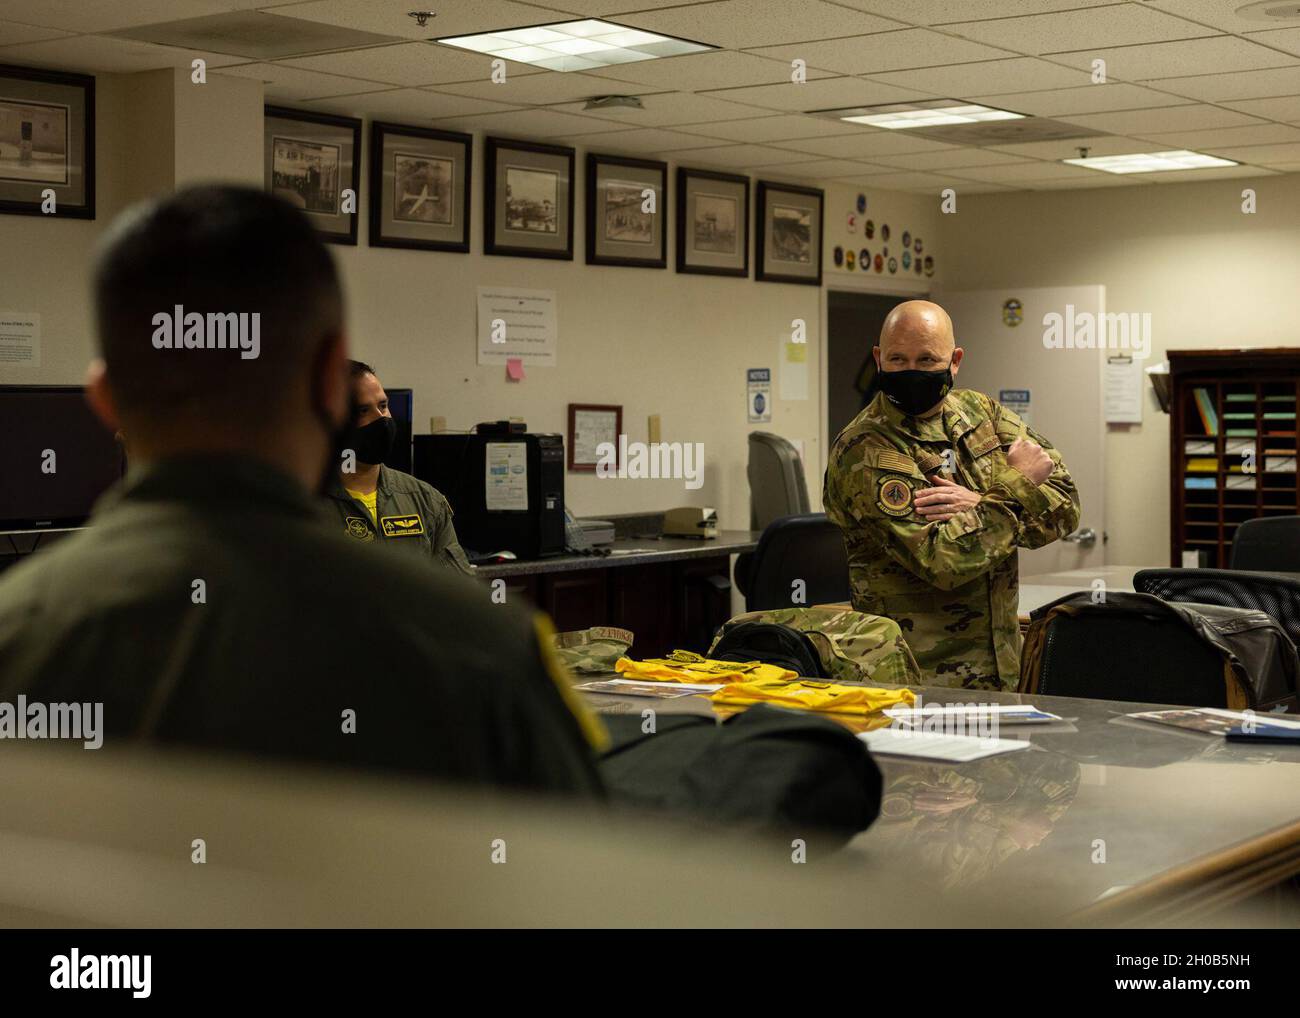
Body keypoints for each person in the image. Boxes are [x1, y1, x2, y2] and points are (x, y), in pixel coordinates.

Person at [0, 185, 604, 794]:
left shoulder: (19, 635)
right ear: (327, 381)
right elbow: (579, 869)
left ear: (104, 400)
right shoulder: (477, 646)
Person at [823, 300, 1080, 691]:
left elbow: (1067, 504)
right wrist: (1013, 491)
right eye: (897, 359)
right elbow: (943, 560)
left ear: (954, 360)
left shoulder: (982, 413)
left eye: (927, 360)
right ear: (878, 359)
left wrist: (981, 503)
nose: (912, 371)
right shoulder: (866, 449)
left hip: (1004, 669)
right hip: (914, 680)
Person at [325, 360, 472, 575]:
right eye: (363, 410)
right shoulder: (304, 503)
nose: (382, 419)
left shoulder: (426, 500)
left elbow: (460, 593)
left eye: (383, 406)